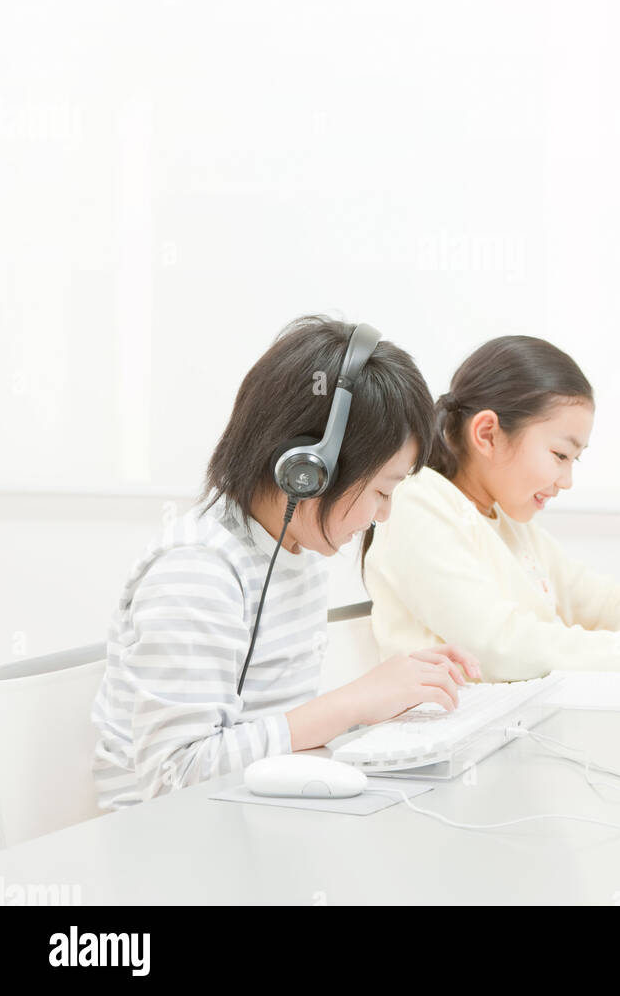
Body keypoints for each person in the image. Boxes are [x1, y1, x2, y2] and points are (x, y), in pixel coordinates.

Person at [91, 315, 480, 809]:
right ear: (306, 469)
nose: (385, 512)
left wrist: (385, 701)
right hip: (173, 850)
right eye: (383, 489)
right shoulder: (196, 571)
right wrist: (353, 703)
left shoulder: (294, 551)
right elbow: (177, 776)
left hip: (253, 819)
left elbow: (272, 733)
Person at [363, 335, 620, 682]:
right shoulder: (417, 503)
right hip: (451, 728)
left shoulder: (510, 522)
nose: (567, 480)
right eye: (560, 455)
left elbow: (597, 600)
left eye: (575, 459)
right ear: (487, 434)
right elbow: (498, 647)